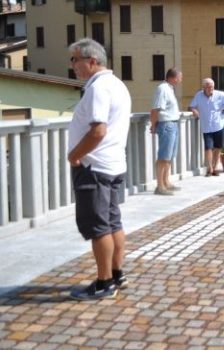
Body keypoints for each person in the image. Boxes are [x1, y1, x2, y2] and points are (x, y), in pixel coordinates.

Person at [67, 38, 132, 300]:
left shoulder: (98, 88)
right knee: (113, 223)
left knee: (99, 227)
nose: (72, 65)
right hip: (113, 164)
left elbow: (98, 130)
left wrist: (75, 154)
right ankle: (117, 274)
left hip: (95, 167)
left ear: (92, 61)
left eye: (75, 59)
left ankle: (104, 282)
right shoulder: (118, 85)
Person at [188, 78, 224, 176]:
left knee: (218, 147)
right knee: (208, 147)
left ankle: (215, 168)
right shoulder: (199, 95)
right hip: (206, 125)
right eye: (207, 86)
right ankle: (209, 168)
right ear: (203, 87)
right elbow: (191, 106)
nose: (210, 88)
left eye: (211, 86)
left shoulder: (220, 94)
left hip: (219, 124)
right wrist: (194, 110)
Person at [150, 68, 182, 195]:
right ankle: (160, 186)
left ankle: (166, 182)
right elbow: (155, 110)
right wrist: (153, 125)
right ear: (173, 78)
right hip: (166, 124)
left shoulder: (170, 89)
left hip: (173, 124)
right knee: (163, 156)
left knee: (169, 156)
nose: (180, 80)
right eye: (180, 77)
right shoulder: (162, 89)